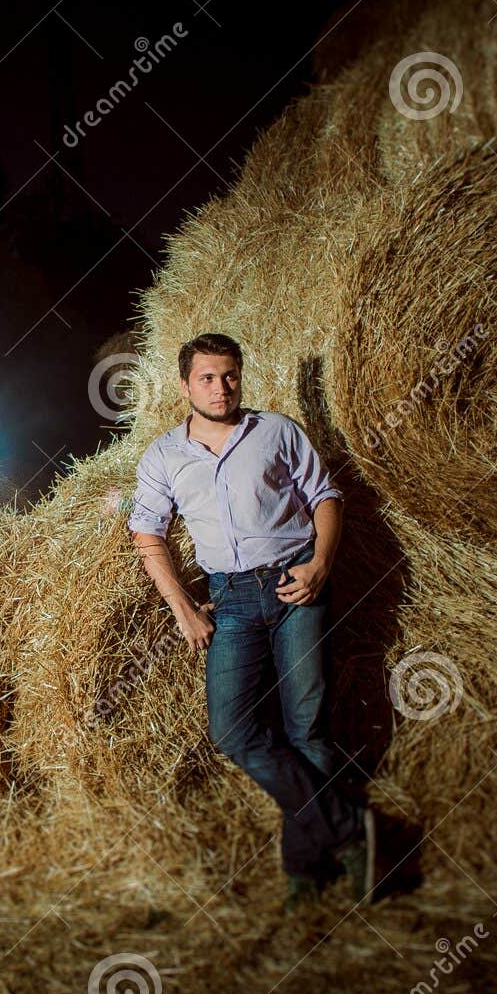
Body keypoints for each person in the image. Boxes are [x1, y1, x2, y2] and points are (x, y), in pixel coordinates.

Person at [125, 332, 375, 912]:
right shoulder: (164, 455)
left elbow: (325, 497)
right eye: (207, 378)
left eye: (230, 375)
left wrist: (320, 564)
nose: (221, 387)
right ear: (185, 384)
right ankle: (345, 828)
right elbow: (147, 533)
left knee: (305, 729)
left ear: (241, 375)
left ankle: (306, 872)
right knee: (232, 731)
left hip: (296, 585)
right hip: (230, 599)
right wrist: (182, 607)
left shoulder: (278, 431)